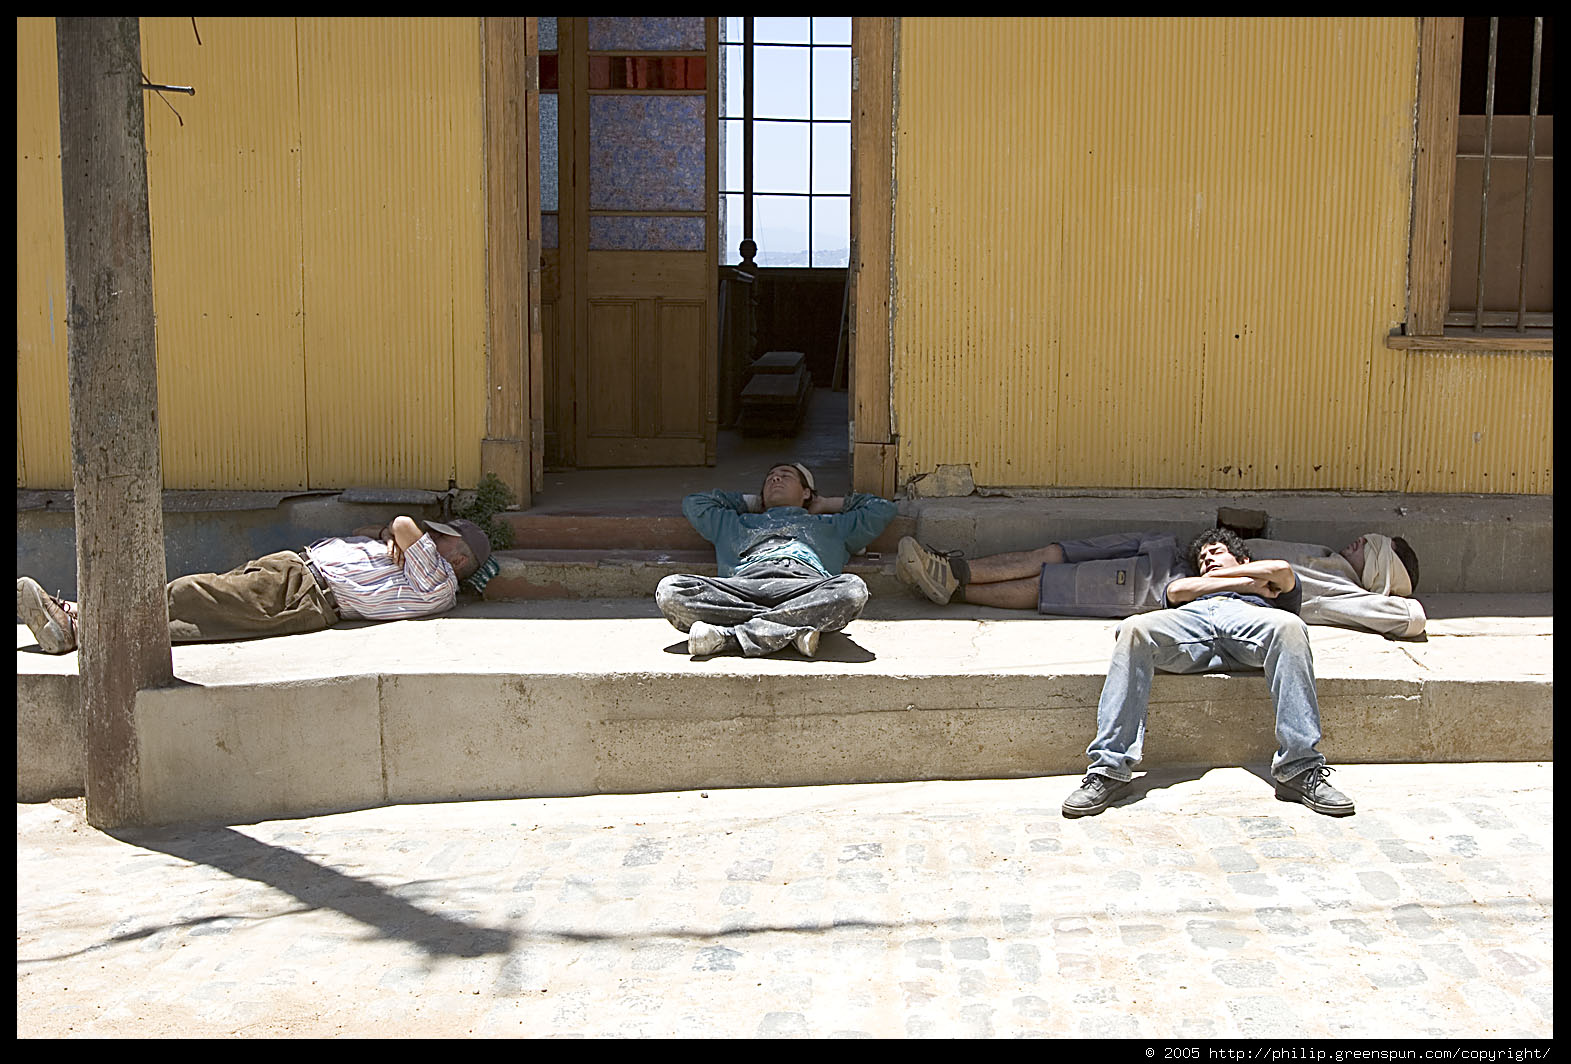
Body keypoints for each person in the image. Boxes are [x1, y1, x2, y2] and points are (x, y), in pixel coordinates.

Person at [1059, 527, 1356, 819]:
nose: (1208, 561)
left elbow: (1281, 569)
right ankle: (1108, 770)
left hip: (1249, 622)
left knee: (1290, 627)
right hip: (1193, 625)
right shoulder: (1217, 586)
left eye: (1216, 552)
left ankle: (1299, 768)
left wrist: (1238, 583)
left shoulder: (1267, 583)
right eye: (1202, 559)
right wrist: (1247, 584)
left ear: (1244, 561)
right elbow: (1176, 591)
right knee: (1134, 629)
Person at [17, 516, 490, 654]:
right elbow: (382, 529)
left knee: (192, 597)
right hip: (294, 570)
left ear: (459, 555)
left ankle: (80, 619)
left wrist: (401, 534)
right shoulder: (415, 560)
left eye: (442, 535)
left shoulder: (439, 584)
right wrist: (386, 535)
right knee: (202, 609)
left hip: (305, 593)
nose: (433, 536)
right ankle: (82, 622)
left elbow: (404, 523)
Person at [896, 530, 1423, 636]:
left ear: (1380, 567)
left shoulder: (1338, 588)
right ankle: (951, 570)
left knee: (1052, 587)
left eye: (1370, 548)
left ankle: (953, 585)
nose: (1357, 543)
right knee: (1056, 551)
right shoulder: (1326, 554)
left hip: (1170, 581)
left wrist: (1404, 613)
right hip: (1177, 549)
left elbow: (1401, 617)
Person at [655, 462, 897, 658]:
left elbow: (882, 509)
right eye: (770, 477)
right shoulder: (733, 523)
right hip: (743, 585)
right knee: (670, 591)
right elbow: (695, 503)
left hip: (804, 586)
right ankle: (791, 629)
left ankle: (729, 637)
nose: (775, 479)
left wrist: (823, 503)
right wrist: (751, 502)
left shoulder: (832, 525)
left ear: (806, 492)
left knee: (852, 591)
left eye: (785, 475)